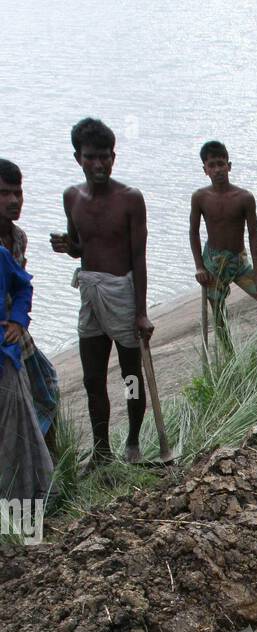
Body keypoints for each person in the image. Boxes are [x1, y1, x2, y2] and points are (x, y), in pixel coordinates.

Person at [50, 117, 153, 468]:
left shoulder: (130, 199)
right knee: (93, 378)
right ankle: (101, 451)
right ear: (78, 157)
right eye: (91, 157)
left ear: (114, 156)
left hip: (122, 292)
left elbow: (138, 257)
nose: (99, 164)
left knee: (130, 376)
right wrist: (69, 247)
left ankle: (134, 442)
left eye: (106, 156)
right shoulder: (71, 197)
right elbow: (81, 248)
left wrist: (141, 312)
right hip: (90, 291)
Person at [189, 142, 257, 345]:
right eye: (212, 165)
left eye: (221, 164)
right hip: (213, 263)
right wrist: (199, 266)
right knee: (219, 315)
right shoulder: (200, 198)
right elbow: (193, 233)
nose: (218, 169)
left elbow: (253, 234)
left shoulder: (244, 198)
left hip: (238, 262)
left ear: (229, 165)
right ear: (205, 170)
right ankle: (230, 359)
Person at [0, 159, 60, 447]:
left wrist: (18, 320)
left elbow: (23, 287)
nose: (14, 200)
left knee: (46, 389)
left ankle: (49, 474)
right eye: (4, 193)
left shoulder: (17, 237)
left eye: (18, 192)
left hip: (15, 334)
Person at [0, 241, 53, 501]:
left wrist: (19, 321)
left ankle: (22, 513)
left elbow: (22, 287)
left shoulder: (1, 256)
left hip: (5, 359)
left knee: (16, 439)